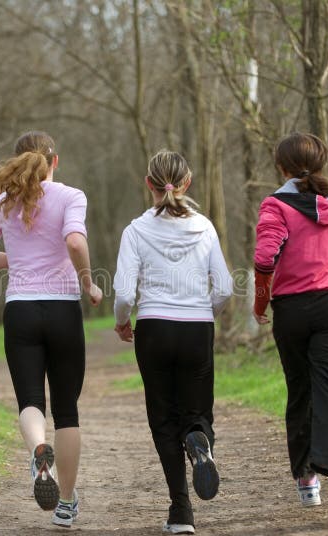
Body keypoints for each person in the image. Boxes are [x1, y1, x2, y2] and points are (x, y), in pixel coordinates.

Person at [0, 131, 102, 528]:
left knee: (30, 400)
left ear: (17, 160)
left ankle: (37, 449)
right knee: (67, 410)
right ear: (54, 161)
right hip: (62, 311)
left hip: (21, 312)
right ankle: (66, 503)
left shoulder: (2, 203)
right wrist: (88, 282)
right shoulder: (70, 196)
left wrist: (19, 260)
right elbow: (75, 242)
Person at [252, 132, 328, 523]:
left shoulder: (276, 204)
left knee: (300, 390)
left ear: (282, 166)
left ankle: (307, 481)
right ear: (322, 162)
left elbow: (264, 257)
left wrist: (260, 303)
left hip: (291, 310)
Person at [113, 150, 233, 535]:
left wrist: (121, 322)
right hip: (197, 327)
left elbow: (124, 293)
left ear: (148, 184)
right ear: (188, 183)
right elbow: (227, 287)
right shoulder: (206, 227)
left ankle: (181, 512)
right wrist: (204, 311)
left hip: (154, 329)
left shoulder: (135, 230)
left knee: (163, 418)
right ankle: (198, 439)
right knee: (197, 411)